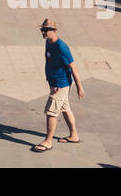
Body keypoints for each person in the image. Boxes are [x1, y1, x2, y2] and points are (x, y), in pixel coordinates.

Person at [32, 18, 84, 152]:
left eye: (45, 30)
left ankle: (48, 141)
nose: (42, 32)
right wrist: (49, 78)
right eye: (42, 30)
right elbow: (49, 60)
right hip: (55, 83)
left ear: (54, 31)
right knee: (65, 108)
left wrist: (79, 87)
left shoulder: (61, 47)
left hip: (61, 85)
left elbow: (73, 67)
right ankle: (74, 135)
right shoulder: (49, 43)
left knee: (51, 112)